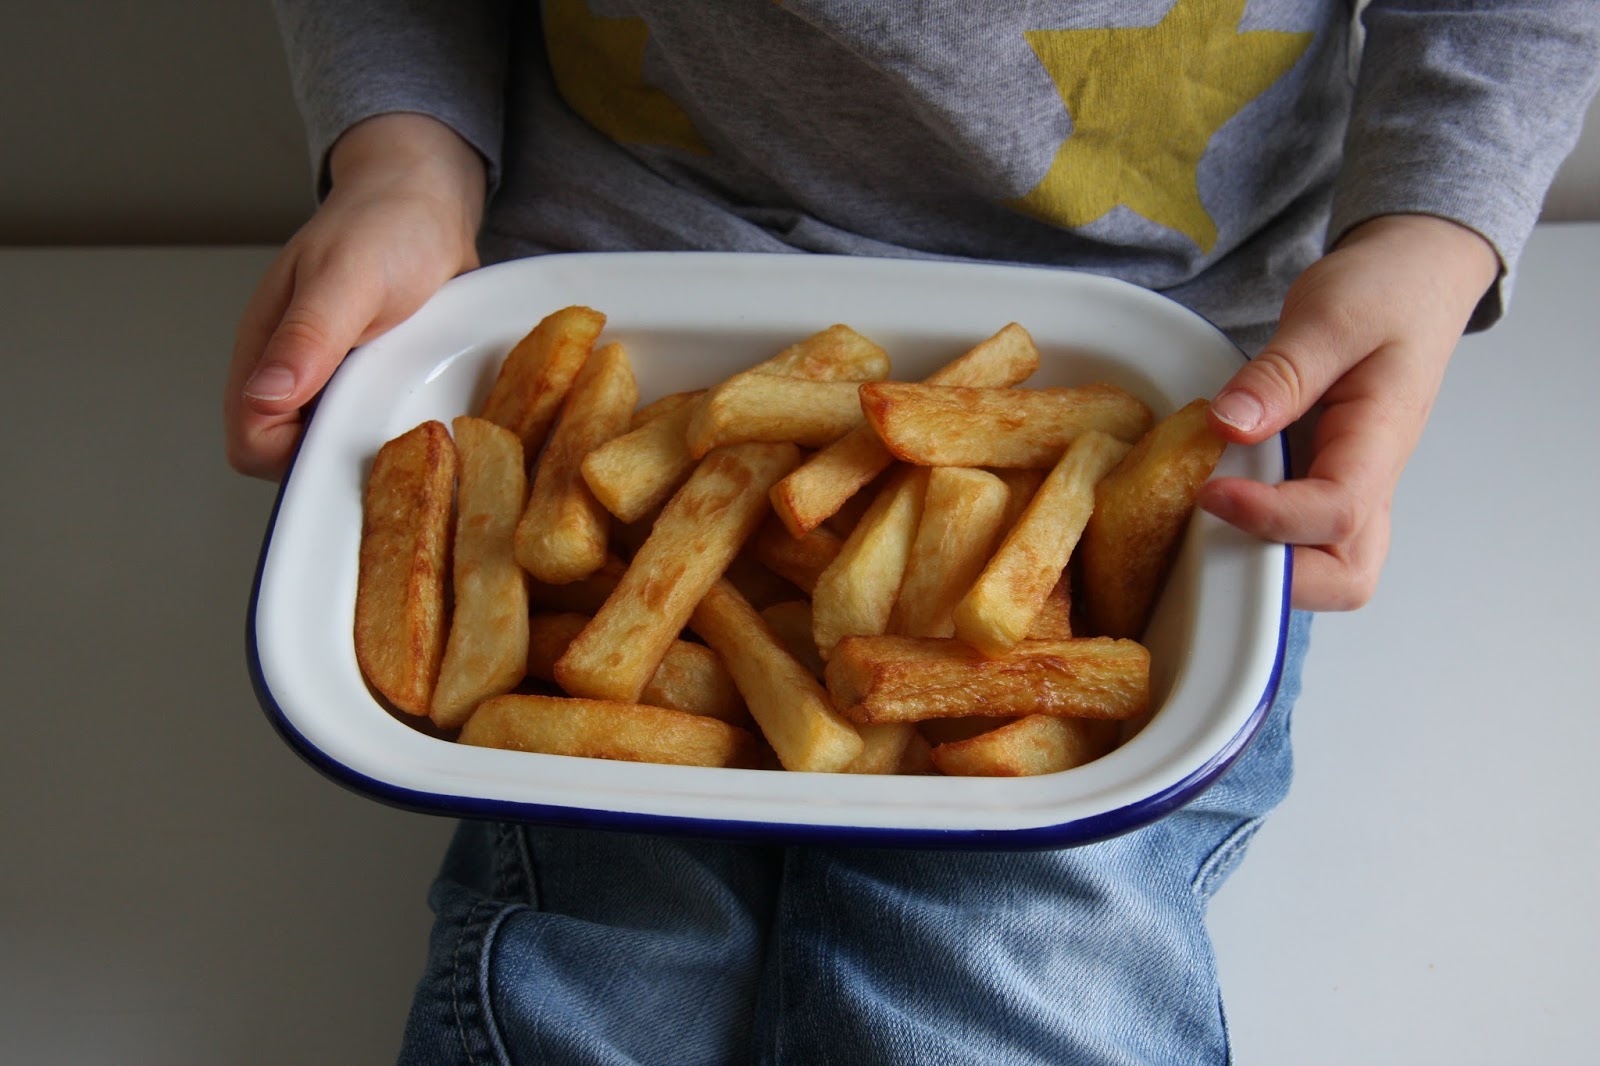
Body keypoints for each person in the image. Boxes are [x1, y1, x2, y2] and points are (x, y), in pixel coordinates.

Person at [225, 3, 1600, 1062]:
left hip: (1175, 334)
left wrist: (1431, 235)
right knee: (607, 962)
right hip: (631, 274)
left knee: (1011, 959)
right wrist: (402, 156)